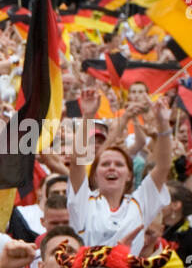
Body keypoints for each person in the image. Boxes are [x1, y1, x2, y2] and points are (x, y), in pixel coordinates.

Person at [67, 98, 171, 254]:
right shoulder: (84, 202)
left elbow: (163, 167)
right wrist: (88, 115)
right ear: (95, 174)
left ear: (129, 175)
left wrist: (163, 124)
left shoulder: (140, 203)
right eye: (105, 164)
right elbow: (76, 162)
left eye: (119, 164)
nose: (112, 168)